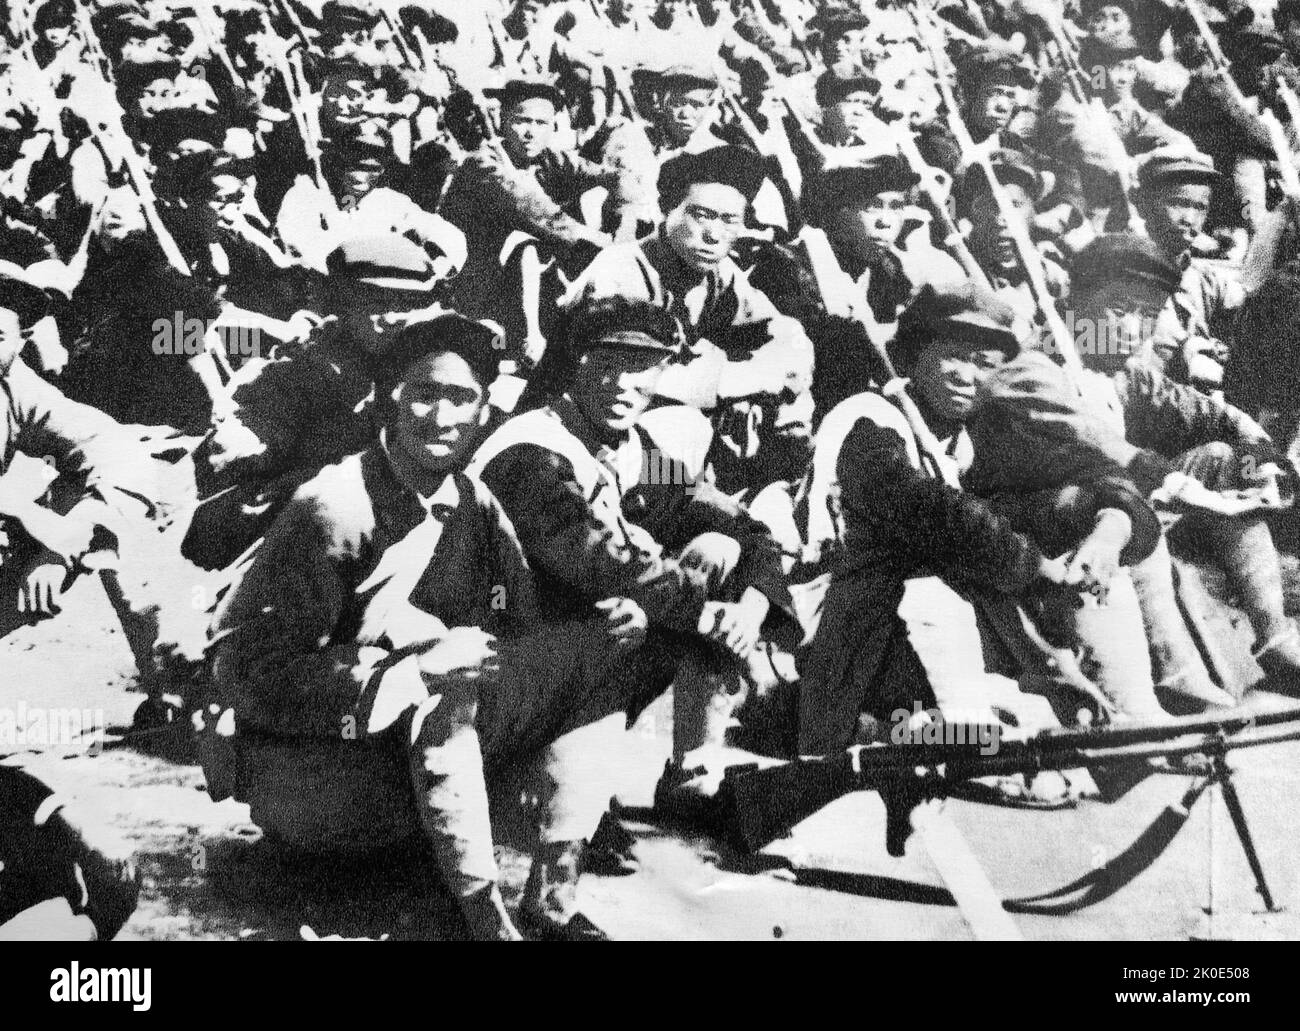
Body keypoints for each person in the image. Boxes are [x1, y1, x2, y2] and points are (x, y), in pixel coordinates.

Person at [207, 314, 646, 941]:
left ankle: (552, 899)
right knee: (444, 678)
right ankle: (486, 925)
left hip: (416, 758)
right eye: (424, 393)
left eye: (461, 398)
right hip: (313, 773)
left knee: (595, 653)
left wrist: (607, 622)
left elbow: (521, 632)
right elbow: (246, 676)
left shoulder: (470, 499)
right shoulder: (334, 508)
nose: (441, 417)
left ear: (484, 410)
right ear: (391, 396)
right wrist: (406, 673)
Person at [471, 296, 798, 813]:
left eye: (643, 369)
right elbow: (597, 559)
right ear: (575, 366)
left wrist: (751, 609)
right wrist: (706, 613)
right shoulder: (532, 448)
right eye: (607, 367)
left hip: (579, 638)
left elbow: (737, 521)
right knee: (638, 611)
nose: (624, 385)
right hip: (502, 652)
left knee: (720, 548)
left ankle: (690, 769)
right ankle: (531, 770)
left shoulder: (635, 450)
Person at [564, 145, 813, 488]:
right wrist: (744, 381)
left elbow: (778, 329)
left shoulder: (717, 272)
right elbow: (627, 379)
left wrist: (786, 364)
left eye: (730, 221)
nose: (713, 234)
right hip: (583, 429)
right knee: (684, 427)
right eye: (702, 215)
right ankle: (660, 518)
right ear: (668, 210)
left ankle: (772, 490)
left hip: (644, 420)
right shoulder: (622, 270)